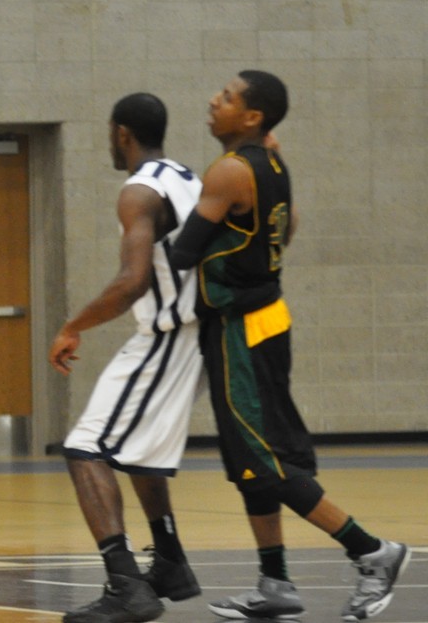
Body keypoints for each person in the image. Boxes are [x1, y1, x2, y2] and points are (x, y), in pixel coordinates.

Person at [165, 71, 409, 623]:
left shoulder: (230, 171)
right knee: (248, 464)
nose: (213, 100)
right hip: (266, 319)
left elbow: (182, 253)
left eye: (228, 97)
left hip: (242, 329)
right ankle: (274, 583)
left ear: (252, 117)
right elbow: (287, 228)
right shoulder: (273, 164)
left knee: (261, 460)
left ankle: (372, 551)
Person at [50, 93, 204, 623]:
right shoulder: (185, 177)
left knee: (84, 448)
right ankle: (170, 562)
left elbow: (133, 281)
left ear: (121, 133)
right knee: (135, 452)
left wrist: (73, 325)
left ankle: (126, 585)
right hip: (192, 333)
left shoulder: (139, 190)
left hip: (168, 335)